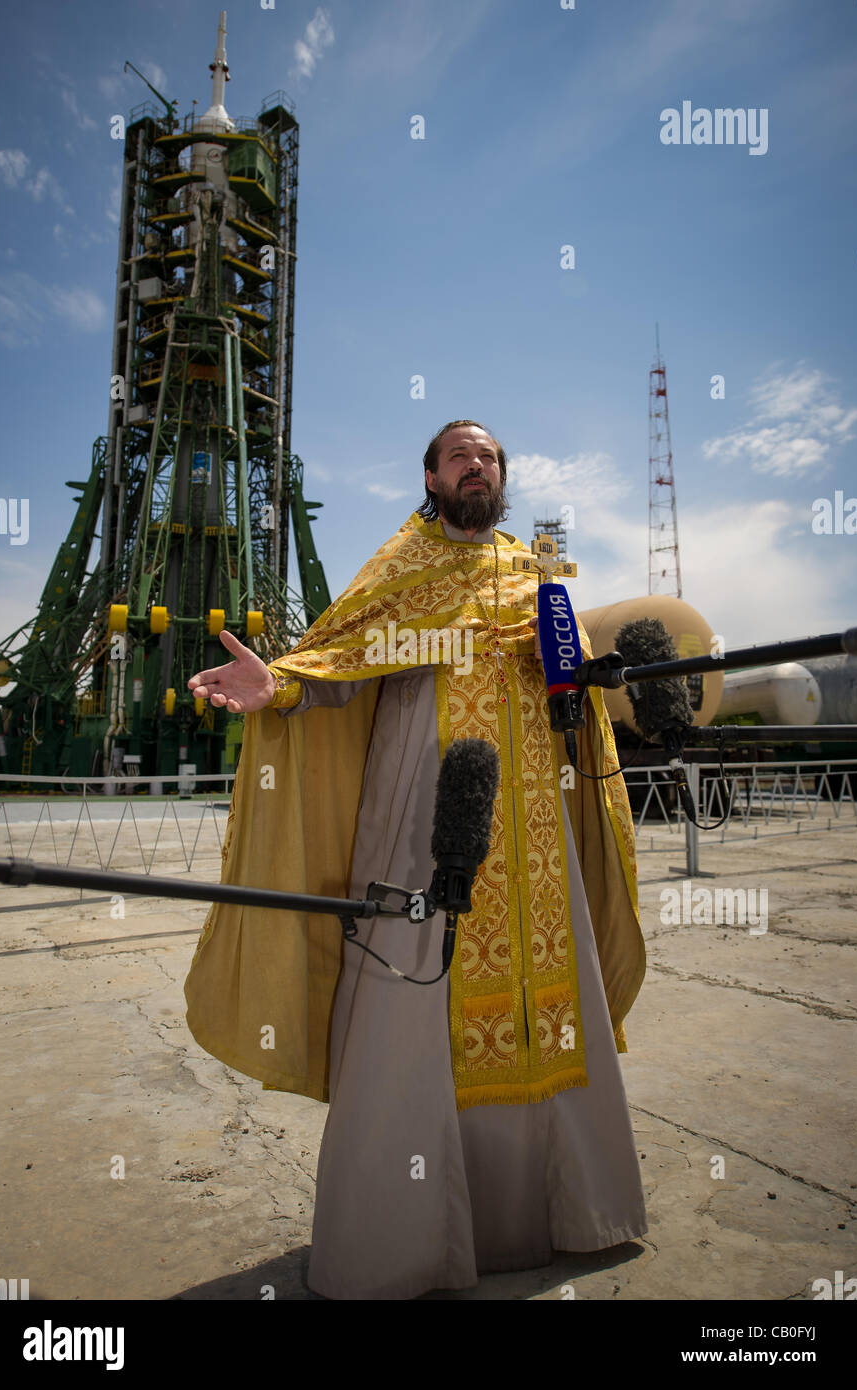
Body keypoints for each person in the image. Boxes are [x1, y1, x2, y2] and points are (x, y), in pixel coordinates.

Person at [183, 419, 647, 1300]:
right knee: (413, 1008)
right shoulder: (401, 567)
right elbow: (340, 658)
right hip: (423, 822)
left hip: (536, 840)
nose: (477, 466)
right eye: (460, 457)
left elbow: (573, 682)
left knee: (547, 1011)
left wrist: (580, 669)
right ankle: (405, 1245)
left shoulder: (536, 570)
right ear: (430, 478)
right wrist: (278, 683)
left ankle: (565, 1215)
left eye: (491, 458)